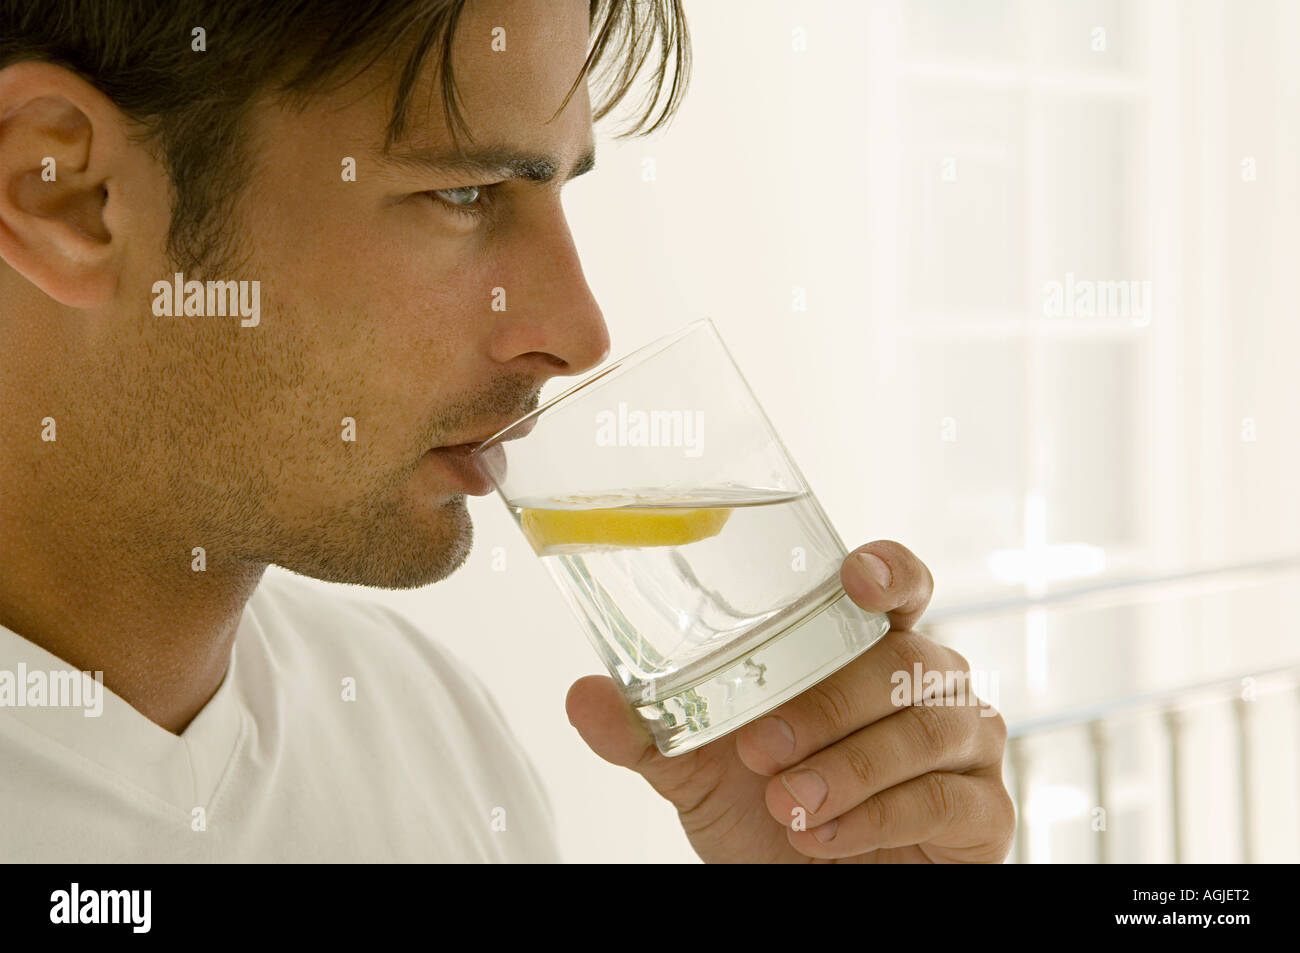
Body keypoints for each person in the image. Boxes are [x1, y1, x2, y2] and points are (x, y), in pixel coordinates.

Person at [0, 0, 1013, 863]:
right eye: (462, 192)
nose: (578, 333)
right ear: (70, 197)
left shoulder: (429, 731)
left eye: (555, 191)